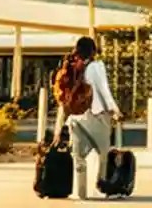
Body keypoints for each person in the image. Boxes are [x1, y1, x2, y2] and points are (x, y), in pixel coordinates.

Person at [54, 36, 119, 201]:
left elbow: (64, 99)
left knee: (78, 155)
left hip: (75, 117)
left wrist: (58, 128)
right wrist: (114, 110)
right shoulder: (96, 66)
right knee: (103, 151)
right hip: (96, 115)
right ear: (93, 50)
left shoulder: (68, 67)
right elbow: (103, 90)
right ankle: (101, 183)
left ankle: (82, 192)